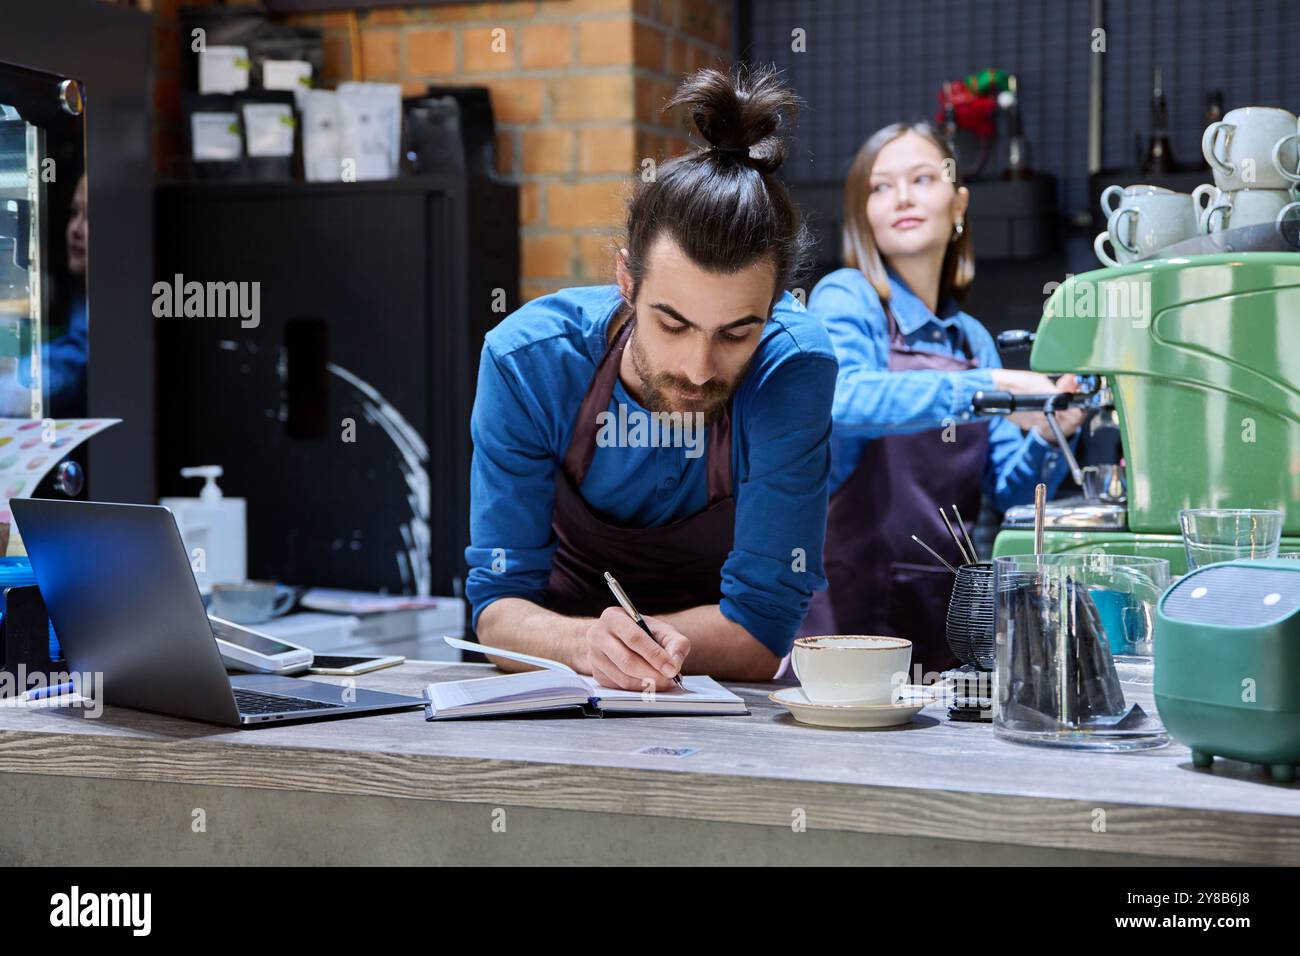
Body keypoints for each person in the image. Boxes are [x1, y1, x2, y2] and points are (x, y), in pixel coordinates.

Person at [464, 66, 838, 691]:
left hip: (725, 702)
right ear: (627, 282)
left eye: (737, 333)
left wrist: (642, 649)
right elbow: (498, 611)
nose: (698, 369)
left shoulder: (793, 368)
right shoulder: (528, 363)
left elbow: (758, 632)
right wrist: (586, 642)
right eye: (672, 324)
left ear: (773, 310)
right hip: (557, 688)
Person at [805, 121, 1085, 673]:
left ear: (959, 204)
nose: (902, 197)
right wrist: (992, 387)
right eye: (880, 187)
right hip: (842, 612)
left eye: (922, 179)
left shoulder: (972, 338)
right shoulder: (848, 296)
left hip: (944, 616)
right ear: (862, 214)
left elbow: (1009, 490)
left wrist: (1052, 432)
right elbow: (843, 398)